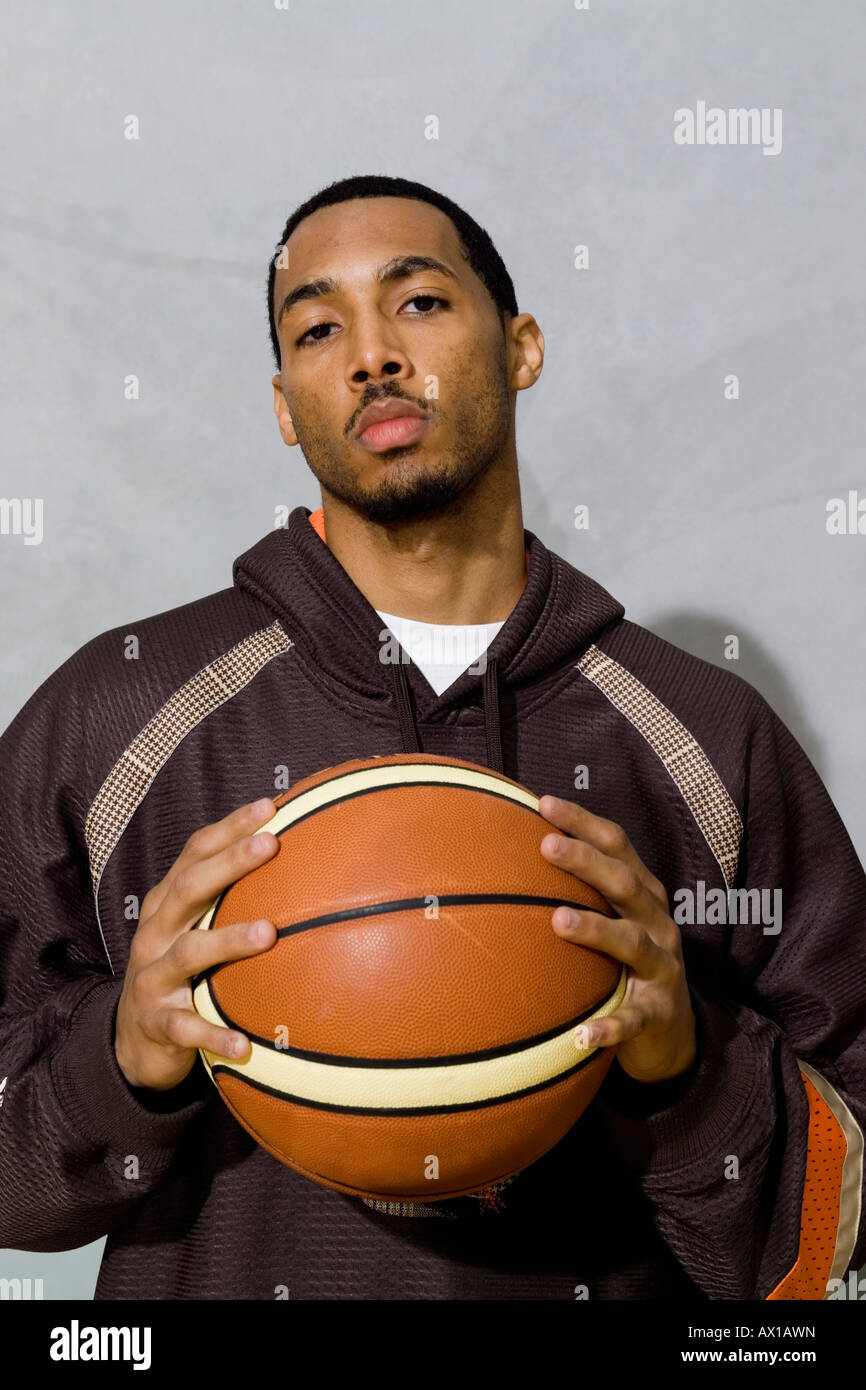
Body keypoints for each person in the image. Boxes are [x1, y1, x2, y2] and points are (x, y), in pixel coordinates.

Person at [0, 174, 863, 1301]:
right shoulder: (117, 711)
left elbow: (840, 1226)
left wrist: (685, 1071)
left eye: (417, 303)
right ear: (282, 401)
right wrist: (122, 1061)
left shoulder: (703, 733)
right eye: (318, 327)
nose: (370, 355)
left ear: (520, 347)